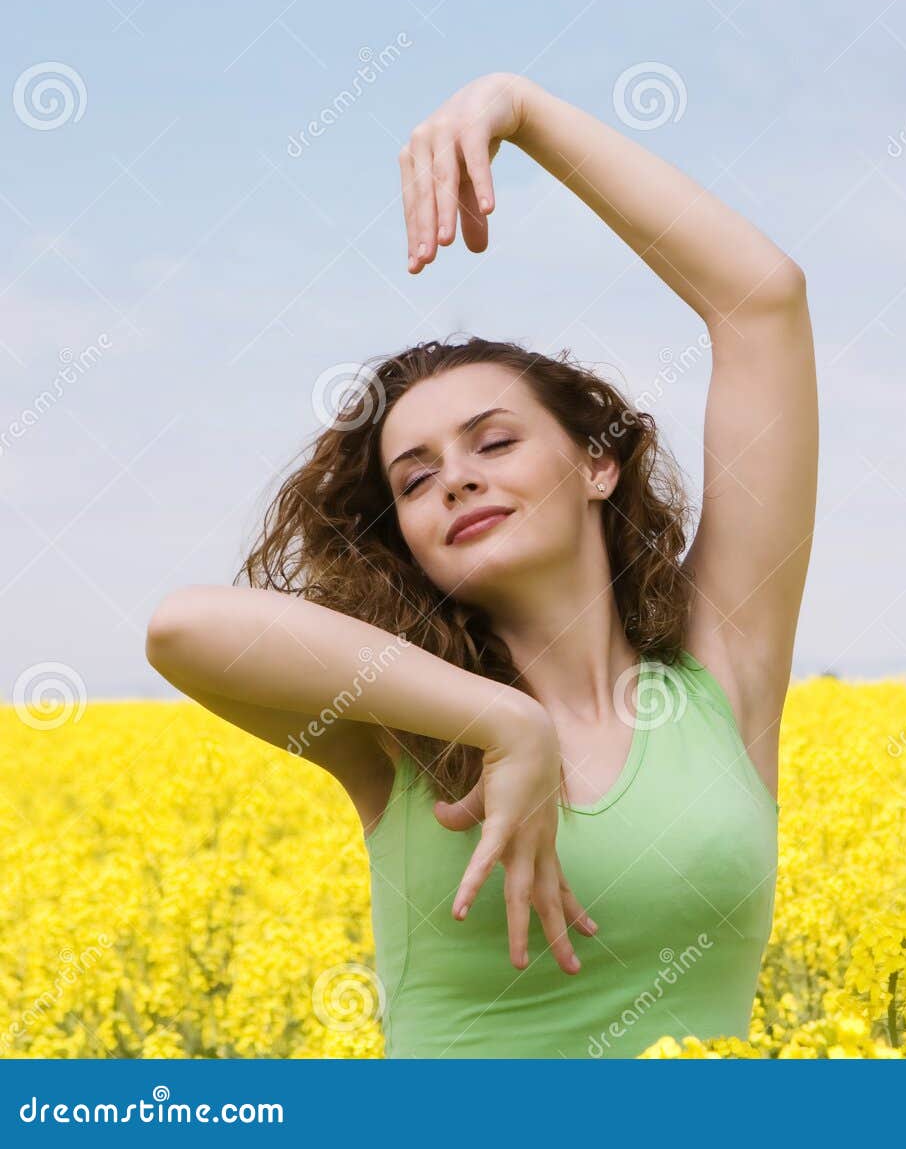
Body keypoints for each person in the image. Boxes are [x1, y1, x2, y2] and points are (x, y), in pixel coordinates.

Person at [144, 71, 817, 1057]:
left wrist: (521, 108)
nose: (454, 479)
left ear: (597, 462)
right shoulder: (394, 737)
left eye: (493, 443)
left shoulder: (727, 677)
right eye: (414, 479)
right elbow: (182, 628)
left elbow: (763, 302)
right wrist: (504, 721)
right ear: (405, 538)